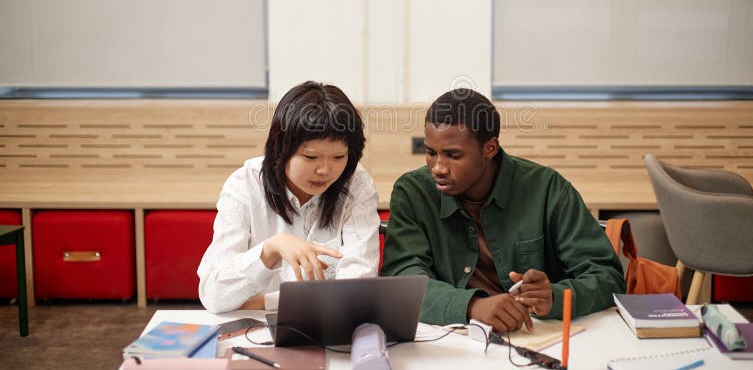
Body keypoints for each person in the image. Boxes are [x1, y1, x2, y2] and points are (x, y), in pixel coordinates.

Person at [380, 89, 624, 332]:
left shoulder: (547, 189)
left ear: (490, 148)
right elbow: (402, 279)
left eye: (453, 155)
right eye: (431, 153)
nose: (439, 168)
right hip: (452, 339)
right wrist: (471, 306)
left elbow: (606, 277)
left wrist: (554, 297)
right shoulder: (412, 193)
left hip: (539, 337)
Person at [198, 81, 380, 313]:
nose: (325, 170)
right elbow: (214, 296)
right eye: (311, 157)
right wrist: (271, 249)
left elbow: (357, 289)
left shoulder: (357, 184)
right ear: (281, 149)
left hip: (328, 328)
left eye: (338, 156)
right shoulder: (245, 185)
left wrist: (266, 303)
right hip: (253, 332)